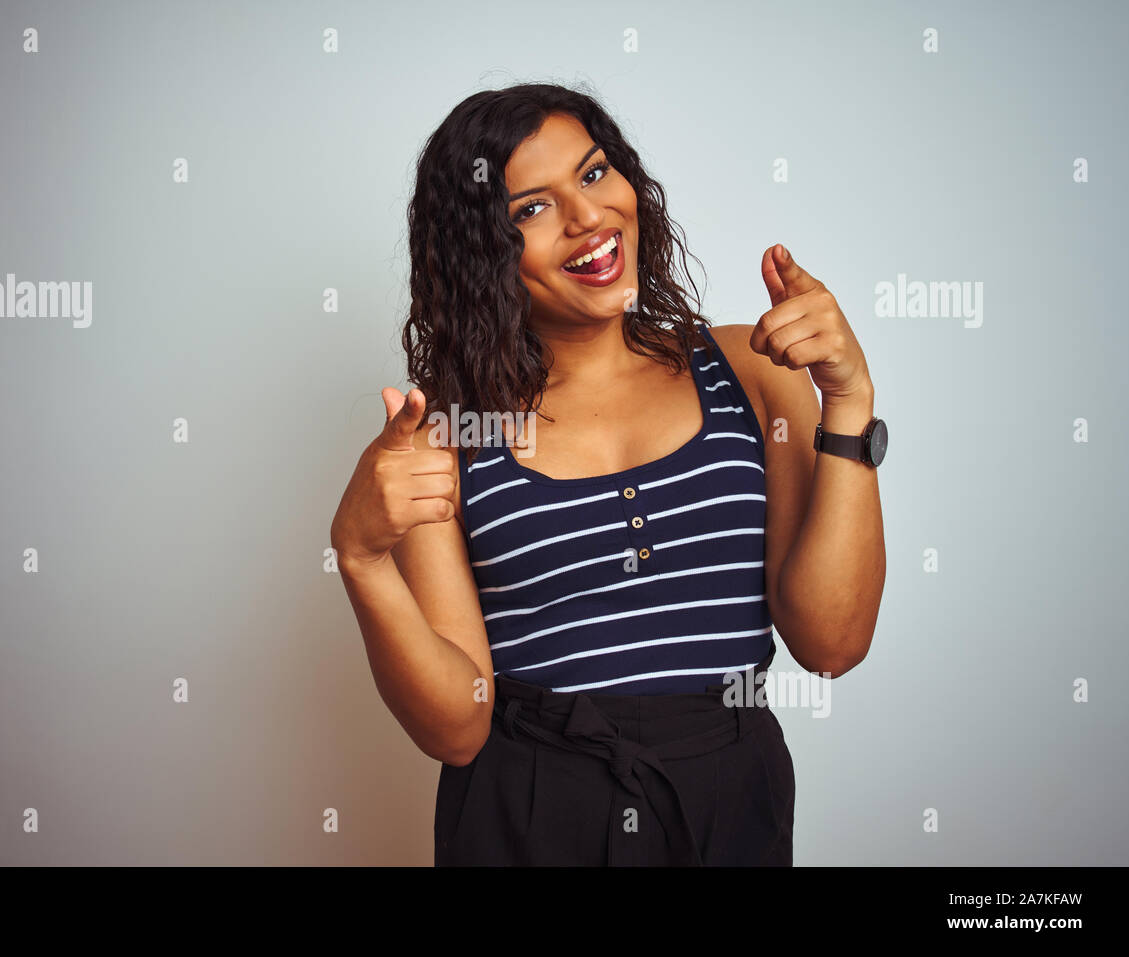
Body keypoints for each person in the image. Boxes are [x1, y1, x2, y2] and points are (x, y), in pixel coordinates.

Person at [330, 82, 885, 865]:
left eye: (594, 175)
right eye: (532, 208)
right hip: (525, 809)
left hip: (729, 800)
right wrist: (361, 559)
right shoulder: (448, 434)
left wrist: (850, 400)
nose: (588, 217)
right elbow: (458, 728)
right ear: (482, 250)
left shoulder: (750, 372)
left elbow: (831, 643)